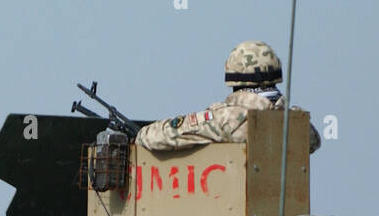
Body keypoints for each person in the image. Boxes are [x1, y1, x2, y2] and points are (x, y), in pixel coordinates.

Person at [135, 40, 322, 154]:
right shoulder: (298, 124)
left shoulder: (227, 118)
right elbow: (315, 143)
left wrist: (139, 133)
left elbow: (154, 137)